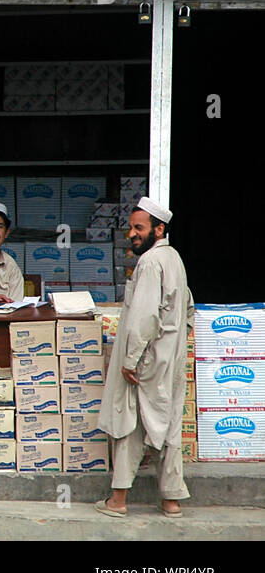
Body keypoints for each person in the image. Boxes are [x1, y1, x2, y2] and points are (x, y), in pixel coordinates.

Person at [97, 196, 194, 519]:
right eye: (131, 228)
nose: (132, 234)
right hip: (169, 361)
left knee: (132, 423)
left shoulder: (151, 262)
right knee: (168, 424)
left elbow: (144, 319)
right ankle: (171, 500)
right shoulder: (174, 259)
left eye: (139, 228)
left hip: (146, 361)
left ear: (159, 229)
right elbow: (188, 311)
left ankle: (118, 500)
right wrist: (173, 344)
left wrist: (130, 360)